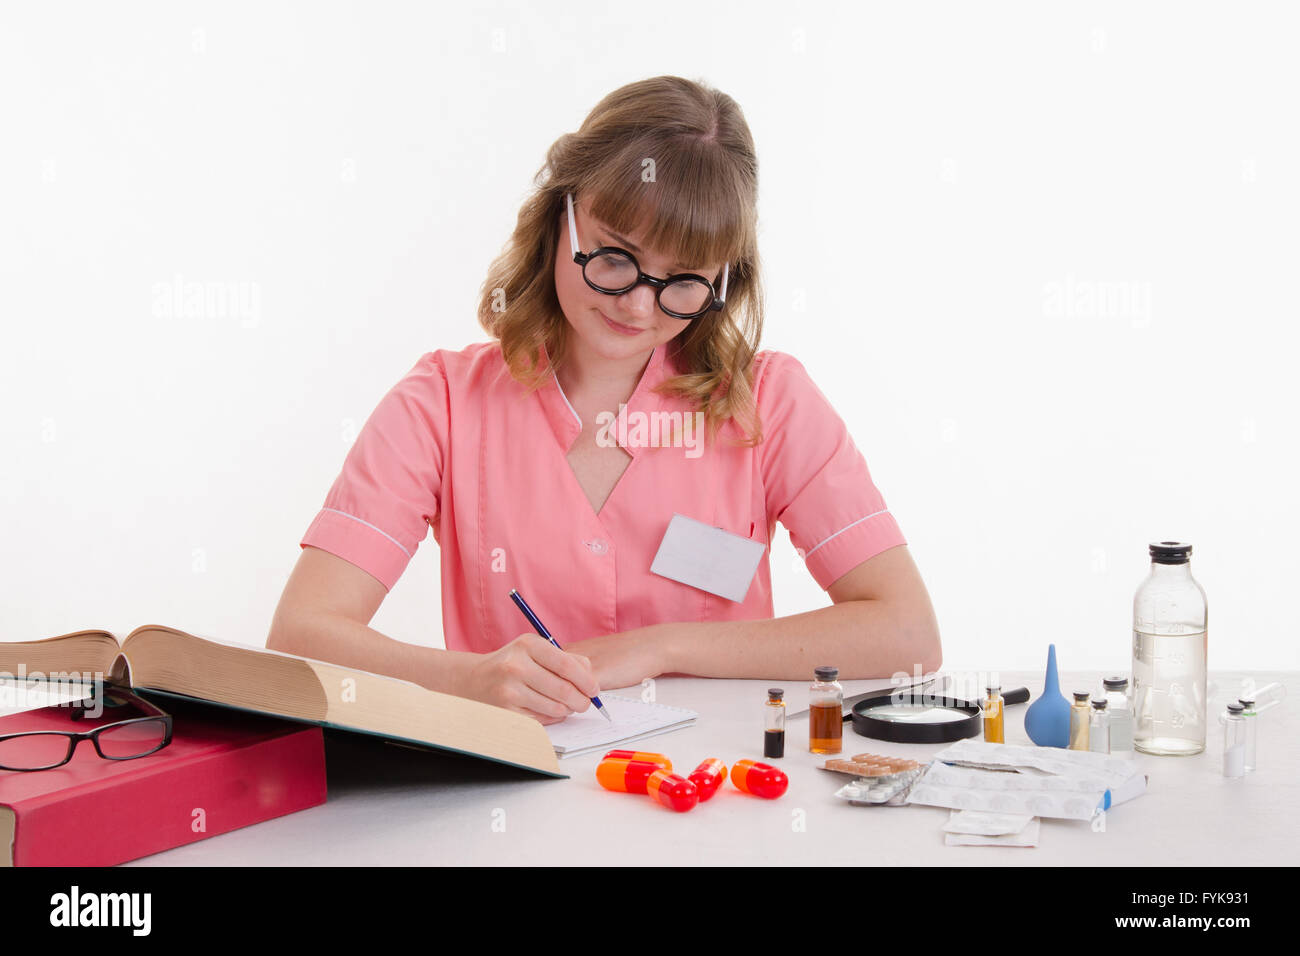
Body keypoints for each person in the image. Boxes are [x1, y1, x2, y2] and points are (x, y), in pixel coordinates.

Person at [268, 75, 941, 725]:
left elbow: (906, 630)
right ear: (559, 217)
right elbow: (302, 635)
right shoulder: (441, 402)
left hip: (714, 798)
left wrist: (662, 646)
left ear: (724, 280)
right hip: (512, 803)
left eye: (683, 281)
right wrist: (467, 681)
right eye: (616, 257)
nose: (639, 306)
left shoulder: (770, 401)